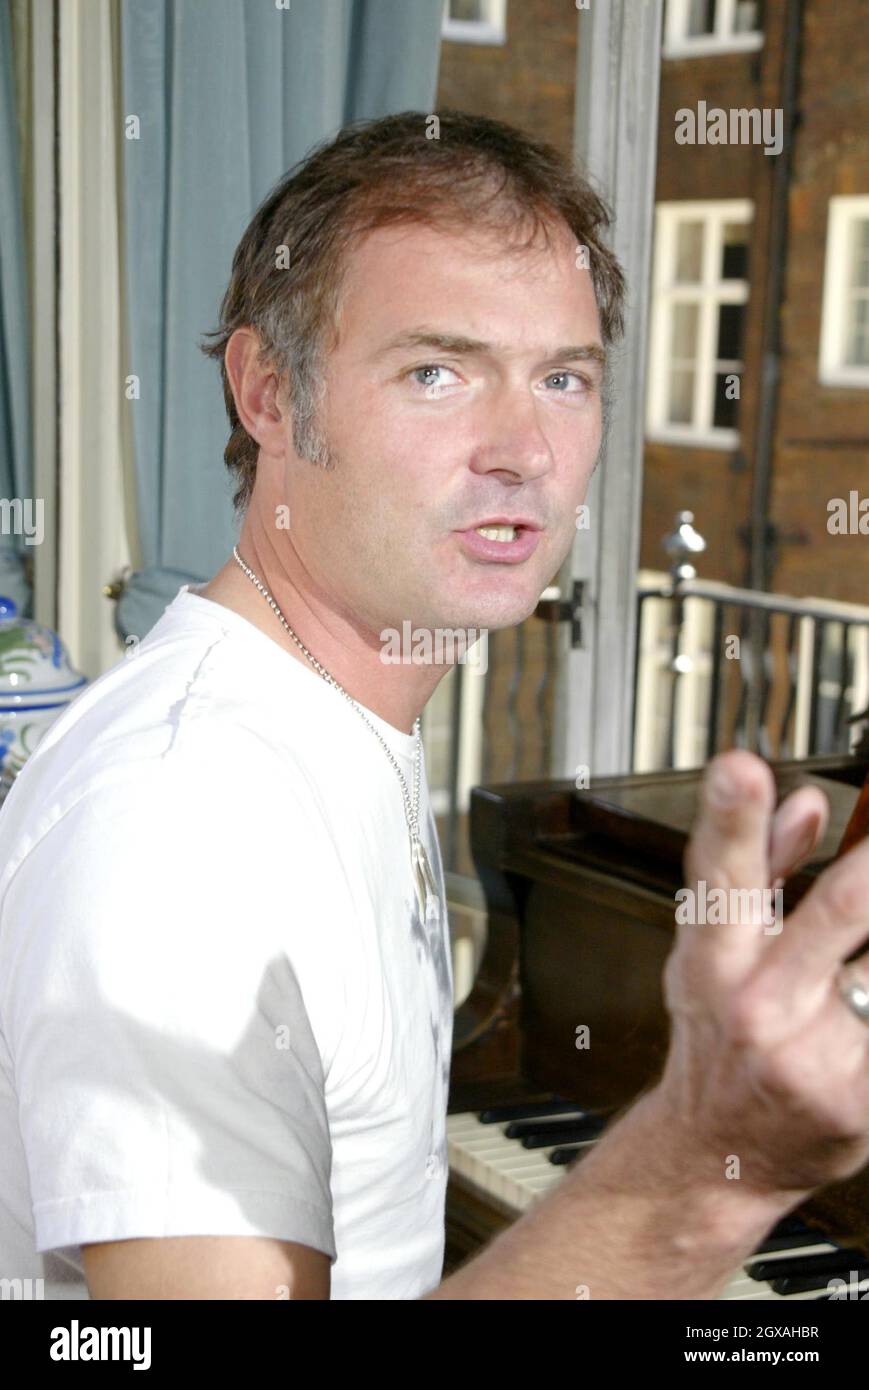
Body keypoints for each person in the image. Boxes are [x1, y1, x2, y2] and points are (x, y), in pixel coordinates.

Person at [1, 109, 867, 1302]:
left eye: (561, 378)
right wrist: (702, 1172)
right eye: (436, 371)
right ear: (267, 389)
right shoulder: (185, 821)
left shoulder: (331, 722)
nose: (521, 450)